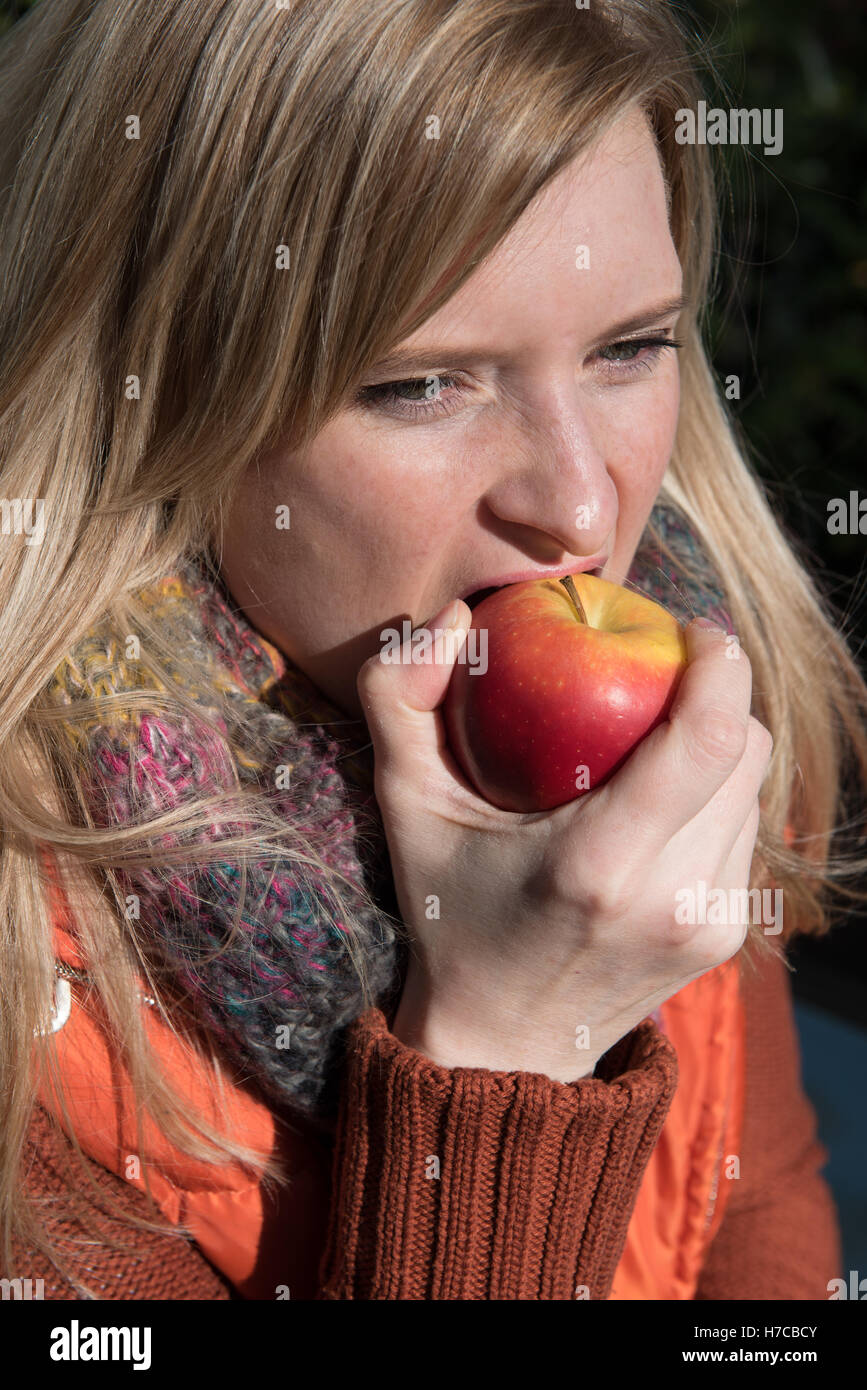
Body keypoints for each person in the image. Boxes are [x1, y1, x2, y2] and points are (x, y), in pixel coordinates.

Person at [1, 0, 864, 1302]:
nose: (581, 509)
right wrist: (511, 1048)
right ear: (151, 388)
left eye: (630, 348)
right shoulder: (35, 995)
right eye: (421, 383)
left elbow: (757, 1209)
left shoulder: (694, 704)